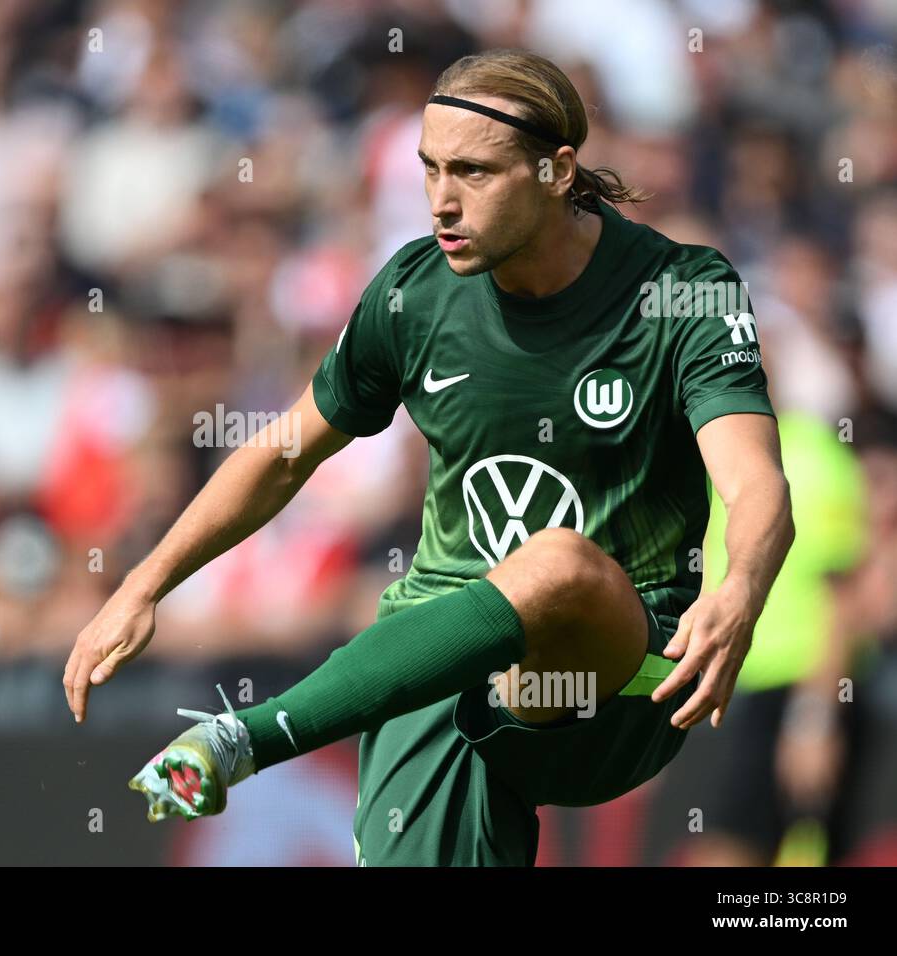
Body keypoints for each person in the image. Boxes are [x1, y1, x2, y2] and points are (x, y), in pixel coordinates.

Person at [63, 49, 795, 866]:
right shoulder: (413, 293)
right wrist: (144, 583)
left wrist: (741, 592)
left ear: (556, 171)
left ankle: (244, 739)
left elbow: (755, 479)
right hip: (438, 658)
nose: (442, 201)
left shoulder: (679, 290)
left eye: (474, 173)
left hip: (615, 675)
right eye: (429, 169)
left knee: (556, 566)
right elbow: (281, 453)